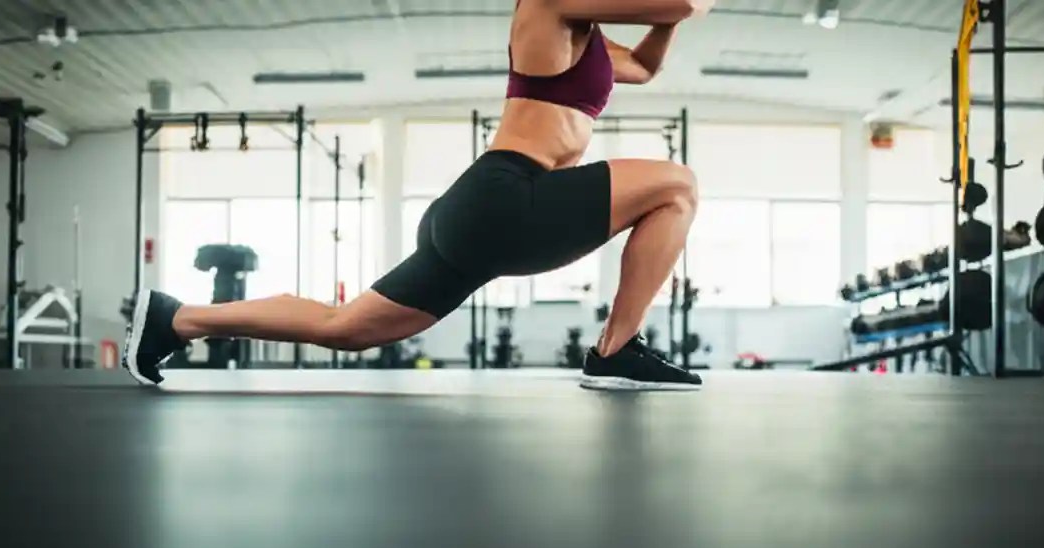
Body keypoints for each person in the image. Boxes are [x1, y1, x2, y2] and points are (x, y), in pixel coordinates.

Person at [125, 0, 714, 390]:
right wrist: (686, 9)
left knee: (345, 328)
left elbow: (643, 65)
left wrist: (672, 23)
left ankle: (177, 320)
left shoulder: (588, 36)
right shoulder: (549, 2)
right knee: (677, 186)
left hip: (481, 211)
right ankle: (616, 351)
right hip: (509, 198)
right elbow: (680, 1)